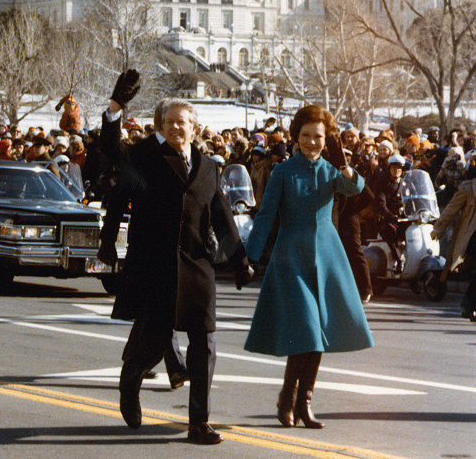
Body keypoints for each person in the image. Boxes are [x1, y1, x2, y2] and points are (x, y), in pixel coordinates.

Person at [97, 70, 253, 445]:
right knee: (152, 340)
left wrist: (239, 260)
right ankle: (131, 378)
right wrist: (116, 108)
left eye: (182, 123)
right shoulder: (144, 158)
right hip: (155, 265)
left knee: (205, 345)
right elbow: (110, 150)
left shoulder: (209, 168)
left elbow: (221, 216)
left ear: (194, 128)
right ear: (160, 127)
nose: (175, 128)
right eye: (168, 123)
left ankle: (198, 423)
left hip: (197, 265)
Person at [244, 105, 374, 430]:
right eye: (306, 136)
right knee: (306, 331)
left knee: (318, 334)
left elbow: (356, 188)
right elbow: (265, 215)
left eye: (318, 137)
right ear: (296, 137)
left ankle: (304, 402)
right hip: (292, 260)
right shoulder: (283, 172)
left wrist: (343, 163)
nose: (312, 142)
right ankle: (288, 398)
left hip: (328, 258)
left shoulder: (332, 170)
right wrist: (248, 256)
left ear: (326, 139)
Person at [431, 178, 476, 321]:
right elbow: (451, 208)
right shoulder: (469, 188)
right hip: (473, 236)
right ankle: (468, 305)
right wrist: (438, 228)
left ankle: (469, 305)